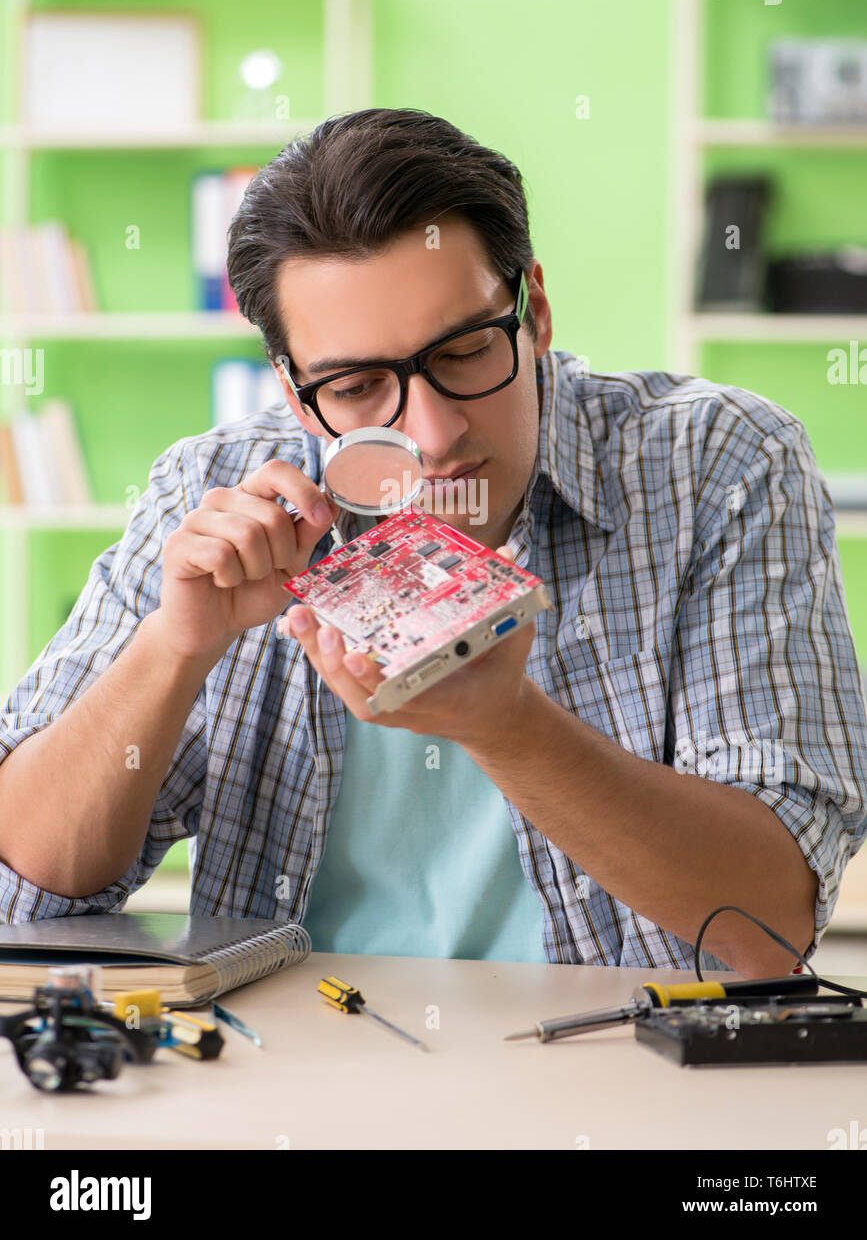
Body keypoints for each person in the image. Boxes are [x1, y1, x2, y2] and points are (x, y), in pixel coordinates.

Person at [1, 108, 865, 976]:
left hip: (616, 1079)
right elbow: (28, 890)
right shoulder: (211, 488)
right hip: (283, 1083)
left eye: (462, 351)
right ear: (298, 397)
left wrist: (511, 728)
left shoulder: (716, 463)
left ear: (535, 315)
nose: (435, 430)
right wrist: (173, 648)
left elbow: (769, 921)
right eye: (358, 384)